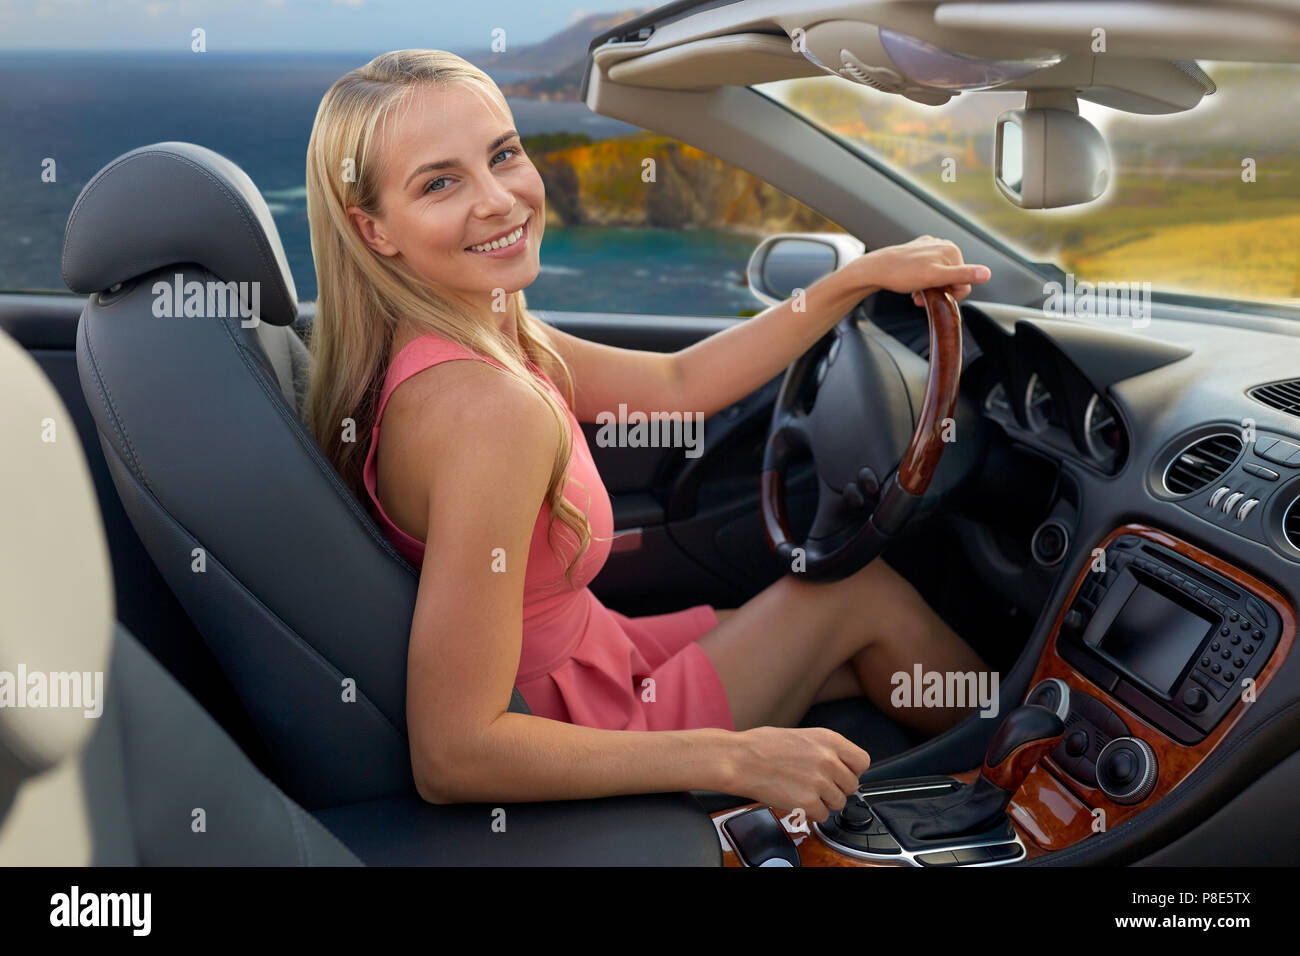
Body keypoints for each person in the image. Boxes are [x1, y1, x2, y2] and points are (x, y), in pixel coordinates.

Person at [303, 50, 993, 823]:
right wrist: (739, 756)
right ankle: (1039, 775)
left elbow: (678, 387)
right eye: (439, 183)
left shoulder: (477, 340)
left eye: (503, 155)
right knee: (858, 600)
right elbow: (454, 753)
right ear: (374, 229)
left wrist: (852, 280)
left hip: (601, 661)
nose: (499, 200)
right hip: (568, 726)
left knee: (852, 620)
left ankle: (1017, 757)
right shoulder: (489, 412)